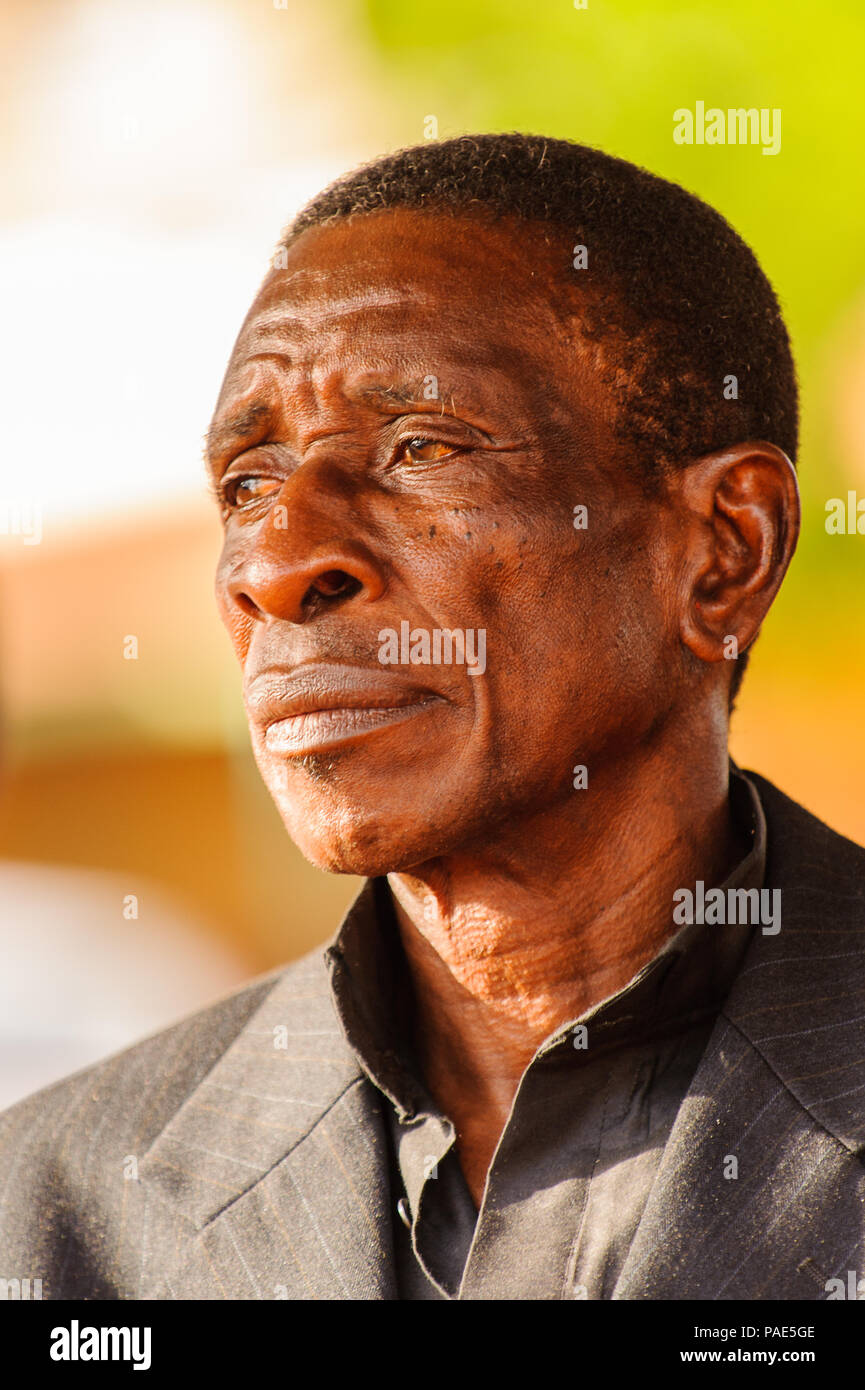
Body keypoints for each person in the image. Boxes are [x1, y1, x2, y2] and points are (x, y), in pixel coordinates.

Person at [1, 133, 862, 1301]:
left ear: (722, 552)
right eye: (248, 483)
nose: (279, 559)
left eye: (422, 447)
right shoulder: (54, 1210)